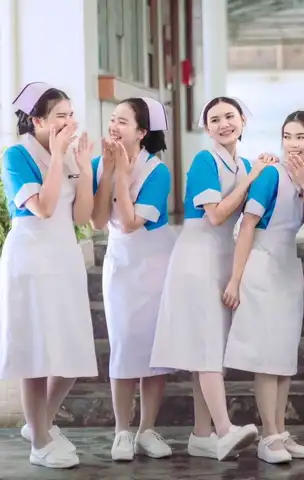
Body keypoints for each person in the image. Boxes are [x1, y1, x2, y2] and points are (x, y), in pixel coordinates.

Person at [149, 97, 275, 461]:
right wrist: (251, 177)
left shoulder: (244, 164)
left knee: (209, 350)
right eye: (215, 119)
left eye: (230, 116)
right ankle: (224, 429)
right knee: (205, 348)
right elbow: (217, 215)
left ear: (243, 121)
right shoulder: (205, 160)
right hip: (197, 258)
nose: (224, 124)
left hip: (221, 258)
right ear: (206, 128)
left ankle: (201, 435)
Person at [222, 110, 304, 463]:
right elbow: (248, 226)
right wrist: (235, 279)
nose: (293, 144)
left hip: (287, 269)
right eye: (287, 136)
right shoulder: (271, 174)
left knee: (283, 358)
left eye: (301, 137)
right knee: (266, 357)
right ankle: (268, 436)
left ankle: (281, 432)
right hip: (261, 267)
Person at [0, 82, 98, 468]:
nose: (70, 122)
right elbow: (42, 208)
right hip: (31, 260)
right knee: (36, 352)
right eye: (61, 116)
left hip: (64, 257)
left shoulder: (70, 155)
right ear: (37, 120)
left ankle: (39, 422)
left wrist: (84, 169)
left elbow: (82, 217)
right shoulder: (16, 155)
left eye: (71, 114)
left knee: (72, 349)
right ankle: (40, 441)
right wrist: (57, 158)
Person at [90, 97, 176, 461]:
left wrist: (123, 176)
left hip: (154, 263)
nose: (113, 126)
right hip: (121, 264)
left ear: (142, 132)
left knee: (154, 350)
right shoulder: (99, 163)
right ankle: (121, 431)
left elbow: (129, 222)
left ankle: (147, 430)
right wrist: (107, 173)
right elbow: (98, 221)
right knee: (124, 345)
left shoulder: (157, 171)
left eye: (122, 121)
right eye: (113, 119)